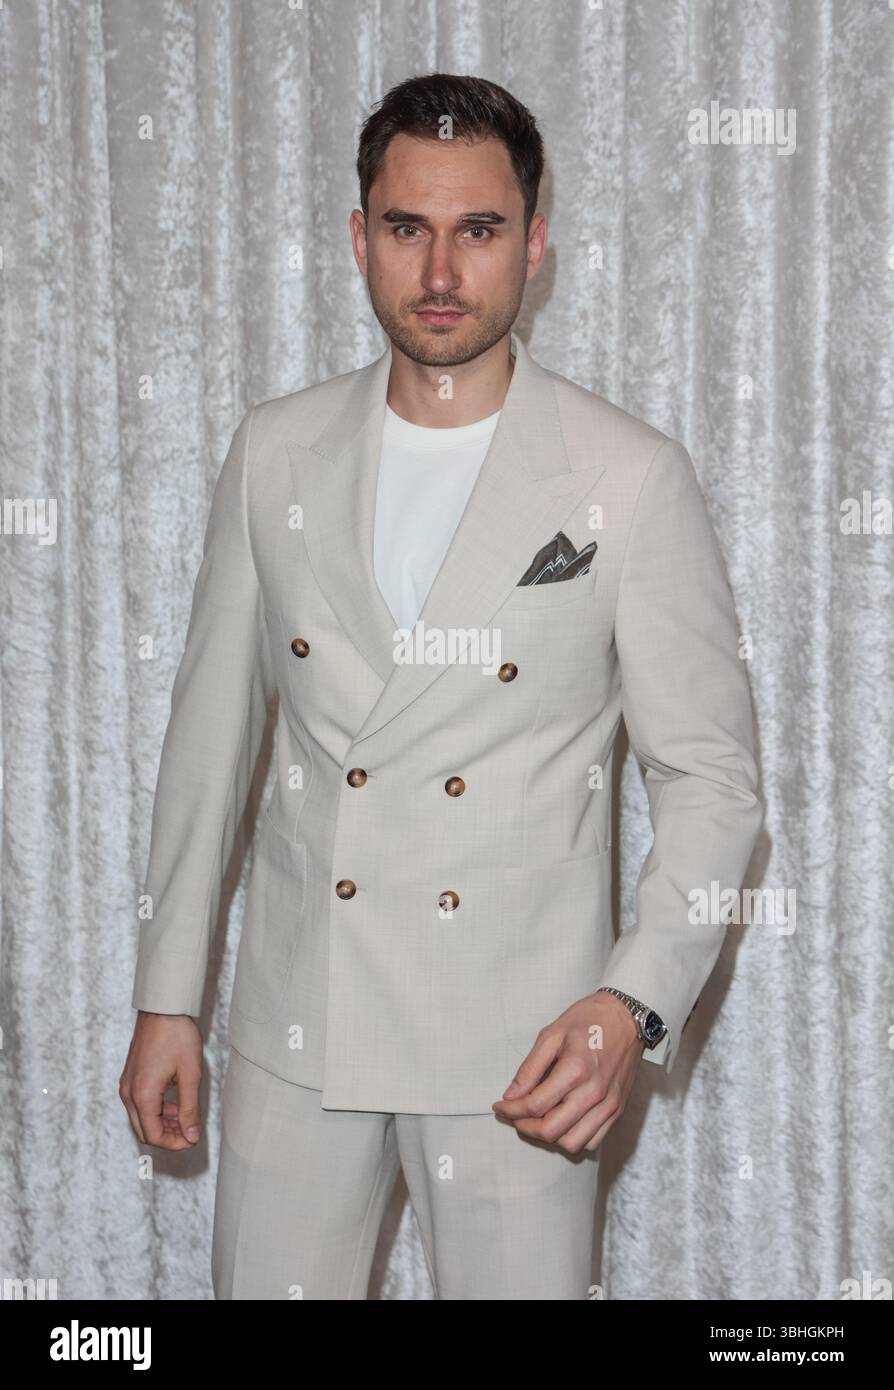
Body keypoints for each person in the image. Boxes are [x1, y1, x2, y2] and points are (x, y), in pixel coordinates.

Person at [120, 72, 762, 1300]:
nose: (441, 271)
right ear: (360, 238)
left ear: (536, 241)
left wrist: (630, 1003)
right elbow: (207, 746)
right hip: (301, 1020)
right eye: (408, 228)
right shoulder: (274, 450)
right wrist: (169, 998)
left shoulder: (627, 476)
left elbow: (713, 783)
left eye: (479, 229)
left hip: (523, 1044)